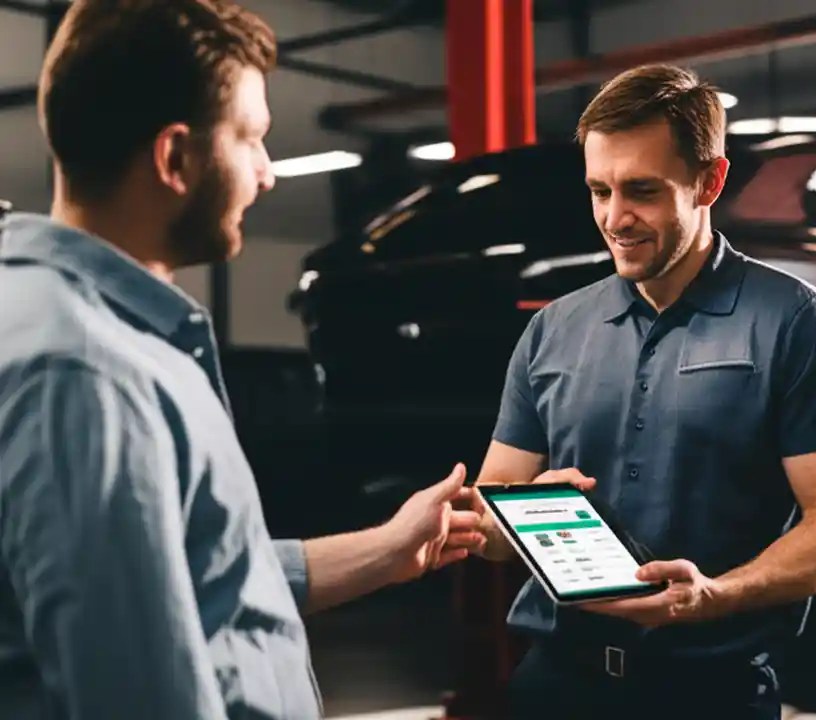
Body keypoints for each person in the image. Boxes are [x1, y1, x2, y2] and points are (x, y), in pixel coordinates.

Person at [0, 1, 485, 718]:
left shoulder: (99, 331)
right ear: (175, 158)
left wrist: (387, 548)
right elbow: (139, 698)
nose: (267, 174)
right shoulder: (87, 372)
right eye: (251, 139)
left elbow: (212, 575)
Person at [471, 63, 816, 719]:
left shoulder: (794, 322)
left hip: (711, 695)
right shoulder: (553, 329)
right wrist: (519, 517)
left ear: (710, 180)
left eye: (642, 191)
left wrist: (717, 594)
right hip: (554, 686)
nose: (614, 218)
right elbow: (485, 519)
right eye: (599, 191)